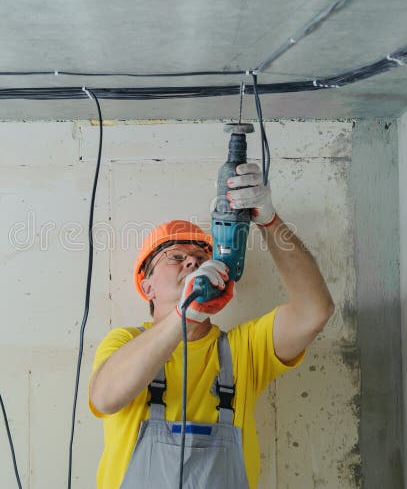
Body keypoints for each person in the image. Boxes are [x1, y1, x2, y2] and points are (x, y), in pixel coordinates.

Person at [88, 163, 335, 489]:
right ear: (147, 288)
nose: (192, 261)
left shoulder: (241, 350)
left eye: (201, 257)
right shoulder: (124, 341)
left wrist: (270, 222)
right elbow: (106, 398)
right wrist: (182, 316)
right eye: (175, 256)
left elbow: (315, 311)